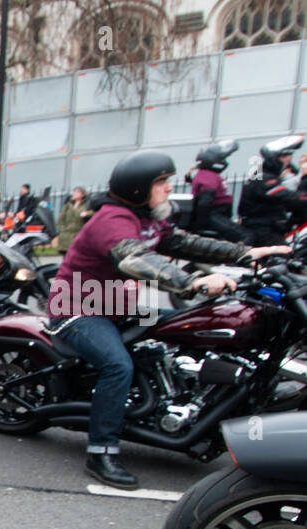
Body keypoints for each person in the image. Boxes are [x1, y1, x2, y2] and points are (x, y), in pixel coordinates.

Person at [48, 150, 288, 488]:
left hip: (120, 308)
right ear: (137, 188)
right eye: (161, 181)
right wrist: (191, 282)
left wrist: (243, 253)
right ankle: (101, 452)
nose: (167, 187)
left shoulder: (147, 219)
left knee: (195, 327)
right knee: (118, 366)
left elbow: (182, 242)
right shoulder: (112, 221)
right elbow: (136, 259)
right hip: (79, 308)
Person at [237, 135, 307, 245]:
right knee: (284, 257)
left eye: (289, 155)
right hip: (262, 229)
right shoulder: (264, 177)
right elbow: (286, 196)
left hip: (271, 226)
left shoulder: (266, 174)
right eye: (284, 156)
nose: (289, 158)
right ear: (273, 158)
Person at [189, 140, 248, 243]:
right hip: (213, 215)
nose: (224, 161)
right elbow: (204, 202)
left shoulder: (207, 175)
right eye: (222, 158)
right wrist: (201, 227)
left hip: (216, 215)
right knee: (246, 236)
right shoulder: (208, 176)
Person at [56, 187, 92, 252]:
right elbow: (61, 219)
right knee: (66, 256)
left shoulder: (86, 205)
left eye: (77, 192)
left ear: (82, 194)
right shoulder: (68, 205)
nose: (74, 193)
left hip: (79, 234)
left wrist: (87, 213)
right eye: (74, 191)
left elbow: (95, 213)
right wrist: (63, 230)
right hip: (66, 235)